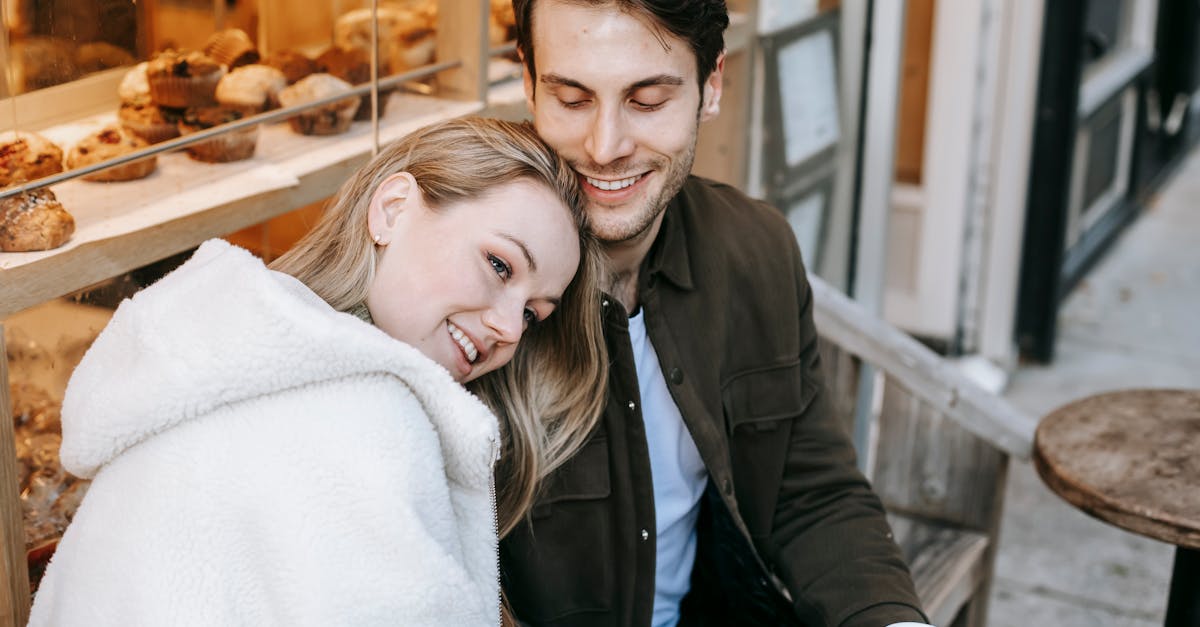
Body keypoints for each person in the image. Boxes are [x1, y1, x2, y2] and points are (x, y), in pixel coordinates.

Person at [28, 117, 608, 627]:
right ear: (393, 210)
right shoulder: (368, 422)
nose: (510, 328)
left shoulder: (221, 350)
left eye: (534, 315)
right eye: (500, 265)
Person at [499, 2, 933, 626]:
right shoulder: (474, 296)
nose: (606, 146)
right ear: (528, 82)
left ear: (712, 85)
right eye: (572, 99)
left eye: (647, 101)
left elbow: (808, 493)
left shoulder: (757, 249)